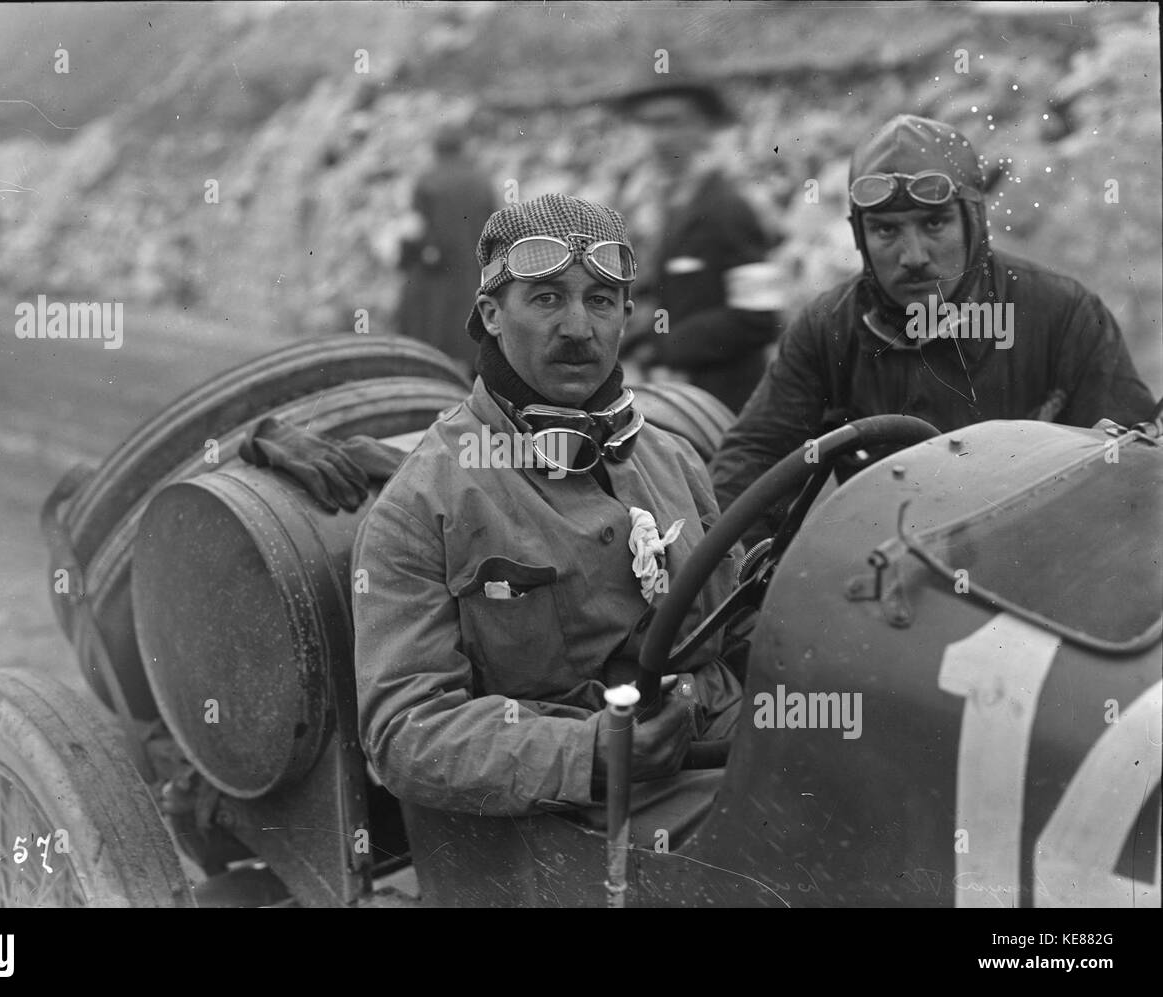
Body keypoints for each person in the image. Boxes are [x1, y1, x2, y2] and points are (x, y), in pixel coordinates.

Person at [353, 193, 743, 845]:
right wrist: (591, 751)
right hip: (575, 816)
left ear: (625, 313)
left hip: (726, 755)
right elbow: (404, 730)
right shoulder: (429, 500)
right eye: (546, 298)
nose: (577, 328)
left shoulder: (673, 460)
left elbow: (740, 628)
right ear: (491, 315)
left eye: (598, 300)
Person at [710, 113, 1157, 522]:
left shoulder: (1064, 314)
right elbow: (750, 463)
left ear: (974, 223)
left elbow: (1135, 477)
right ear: (860, 237)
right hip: (889, 583)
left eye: (935, 224)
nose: (914, 256)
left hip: (1037, 575)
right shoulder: (828, 328)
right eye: (886, 229)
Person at [618, 79, 784, 413]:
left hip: (727, 402)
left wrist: (665, 342)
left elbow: (760, 317)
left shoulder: (729, 208)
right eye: (650, 124)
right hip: (684, 399)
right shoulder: (668, 205)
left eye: (671, 122)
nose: (659, 138)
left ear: (703, 128)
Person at [397, 125, 497, 377]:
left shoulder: (428, 180)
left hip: (436, 269)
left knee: (432, 323)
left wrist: (405, 258)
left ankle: (433, 375)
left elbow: (415, 228)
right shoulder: (481, 180)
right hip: (473, 267)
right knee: (469, 318)